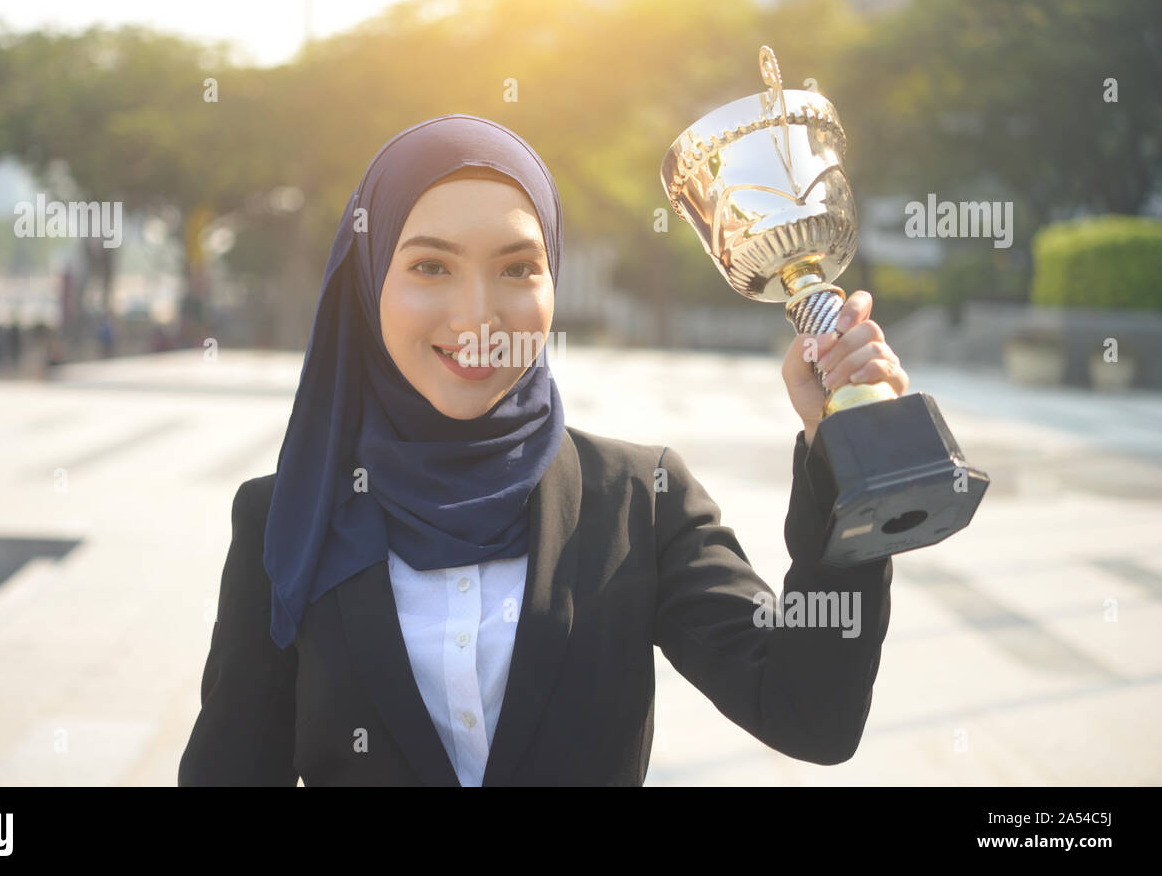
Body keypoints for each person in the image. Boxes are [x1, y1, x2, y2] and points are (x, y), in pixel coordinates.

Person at [178, 114, 910, 787]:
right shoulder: (291, 515)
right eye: (431, 267)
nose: (478, 315)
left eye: (517, 267)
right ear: (370, 282)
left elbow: (811, 715)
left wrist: (846, 452)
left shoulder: (640, 499)